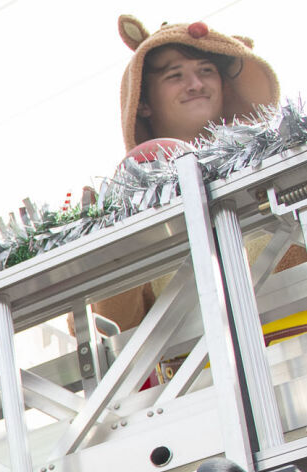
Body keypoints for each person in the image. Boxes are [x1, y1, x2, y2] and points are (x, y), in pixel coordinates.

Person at [98, 15, 299, 330]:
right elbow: (112, 326)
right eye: (175, 75)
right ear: (143, 102)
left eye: (206, 70)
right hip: (194, 362)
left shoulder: (278, 160)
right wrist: (116, 228)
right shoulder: (129, 205)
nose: (195, 84)